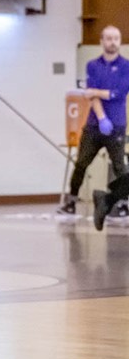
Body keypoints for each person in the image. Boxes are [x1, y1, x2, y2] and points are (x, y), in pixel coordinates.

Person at [58, 25, 129, 216]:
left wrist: (97, 92)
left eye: (116, 38)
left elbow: (119, 93)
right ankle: (71, 202)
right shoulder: (92, 66)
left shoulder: (126, 66)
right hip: (94, 125)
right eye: (108, 38)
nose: (112, 42)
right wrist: (102, 117)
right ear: (102, 41)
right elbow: (91, 96)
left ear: (119, 42)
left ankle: (123, 204)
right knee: (81, 163)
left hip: (117, 125)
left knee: (119, 166)